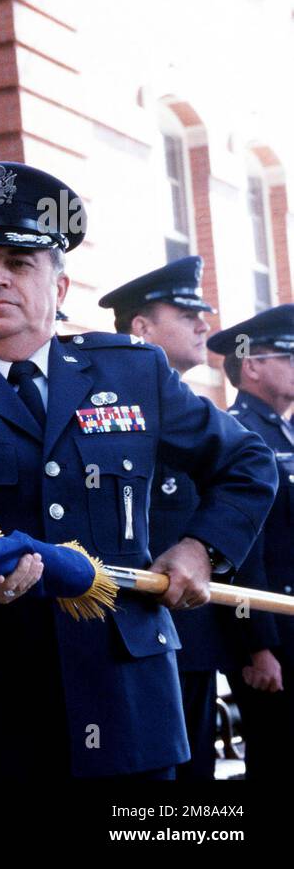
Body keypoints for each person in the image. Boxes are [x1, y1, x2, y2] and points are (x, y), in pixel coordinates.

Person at [0, 161, 276, 778]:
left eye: (19, 263)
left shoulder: (132, 374)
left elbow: (247, 463)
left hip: (128, 704)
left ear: (58, 289)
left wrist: (200, 549)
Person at [97, 256, 245, 779]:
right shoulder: (104, 411)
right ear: (140, 327)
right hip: (129, 636)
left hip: (194, 632)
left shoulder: (198, 419)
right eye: (185, 315)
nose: (204, 325)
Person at [207, 305, 294, 779]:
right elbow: (243, 552)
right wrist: (259, 648)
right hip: (274, 636)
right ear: (253, 366)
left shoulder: (285, 430)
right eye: (291, 357)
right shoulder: (240, 434)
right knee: (280, 758)